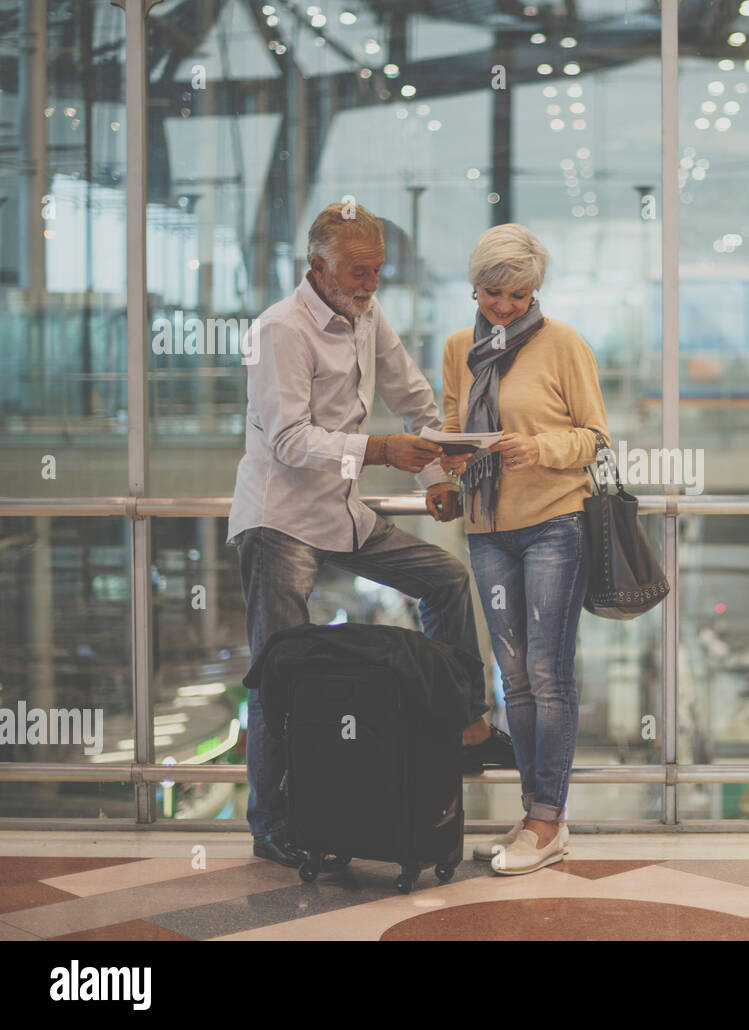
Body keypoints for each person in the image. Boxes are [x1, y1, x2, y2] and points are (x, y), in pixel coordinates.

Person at [226, 201, 514, 868]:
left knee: (444, 579)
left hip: (340, 511)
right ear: (316, 268)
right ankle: (272, 827)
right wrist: (382, 452)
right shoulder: (278, 331)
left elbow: (414, 396)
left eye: (377, 270)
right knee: (276, 676)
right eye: (357, 271)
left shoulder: (368, 315)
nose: (369, 283)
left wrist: (436, 477)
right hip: (278, 520)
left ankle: (466, 723)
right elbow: (291, 440)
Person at [436, 223, 611, 875]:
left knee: (546, 672)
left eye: (515, 294)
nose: (502, 306)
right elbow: (454, 429)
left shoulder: (564, 345)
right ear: (475, 286)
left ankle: (548, 819)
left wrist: (536, 447)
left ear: (535, 289)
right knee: (513, 680)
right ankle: (535, 815)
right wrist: (446, 460)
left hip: (552, 524)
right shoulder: (460, 347)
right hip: (486, 528)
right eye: (490, 293)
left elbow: (596, 437)